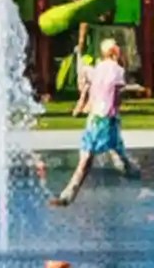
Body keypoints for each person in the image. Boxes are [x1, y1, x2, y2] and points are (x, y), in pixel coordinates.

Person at [50, 38, 138, 207]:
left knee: (101, 153)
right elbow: (116, 95)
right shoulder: (117, 70)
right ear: (114, 52)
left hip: (96, 117)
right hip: (106, 117)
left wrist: (85, 97)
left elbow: (85, 74)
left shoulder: (98, 68)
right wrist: (114, 108)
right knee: (98, 155)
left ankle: (68, 194)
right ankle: (68, 195)